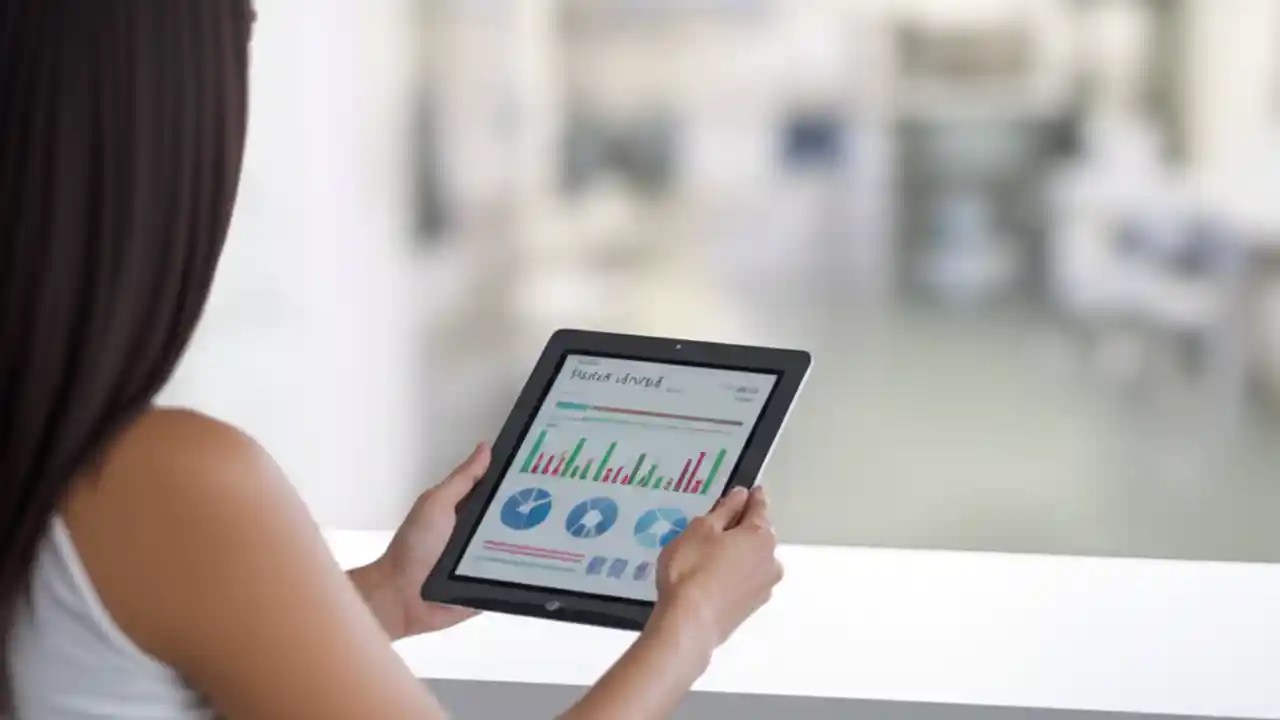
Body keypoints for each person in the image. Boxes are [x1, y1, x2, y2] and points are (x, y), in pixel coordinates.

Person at [0, 2, 784, 718]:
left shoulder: (75, 466)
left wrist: (382, 597)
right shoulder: (166, 477)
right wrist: (692, 625)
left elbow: (103, 655)